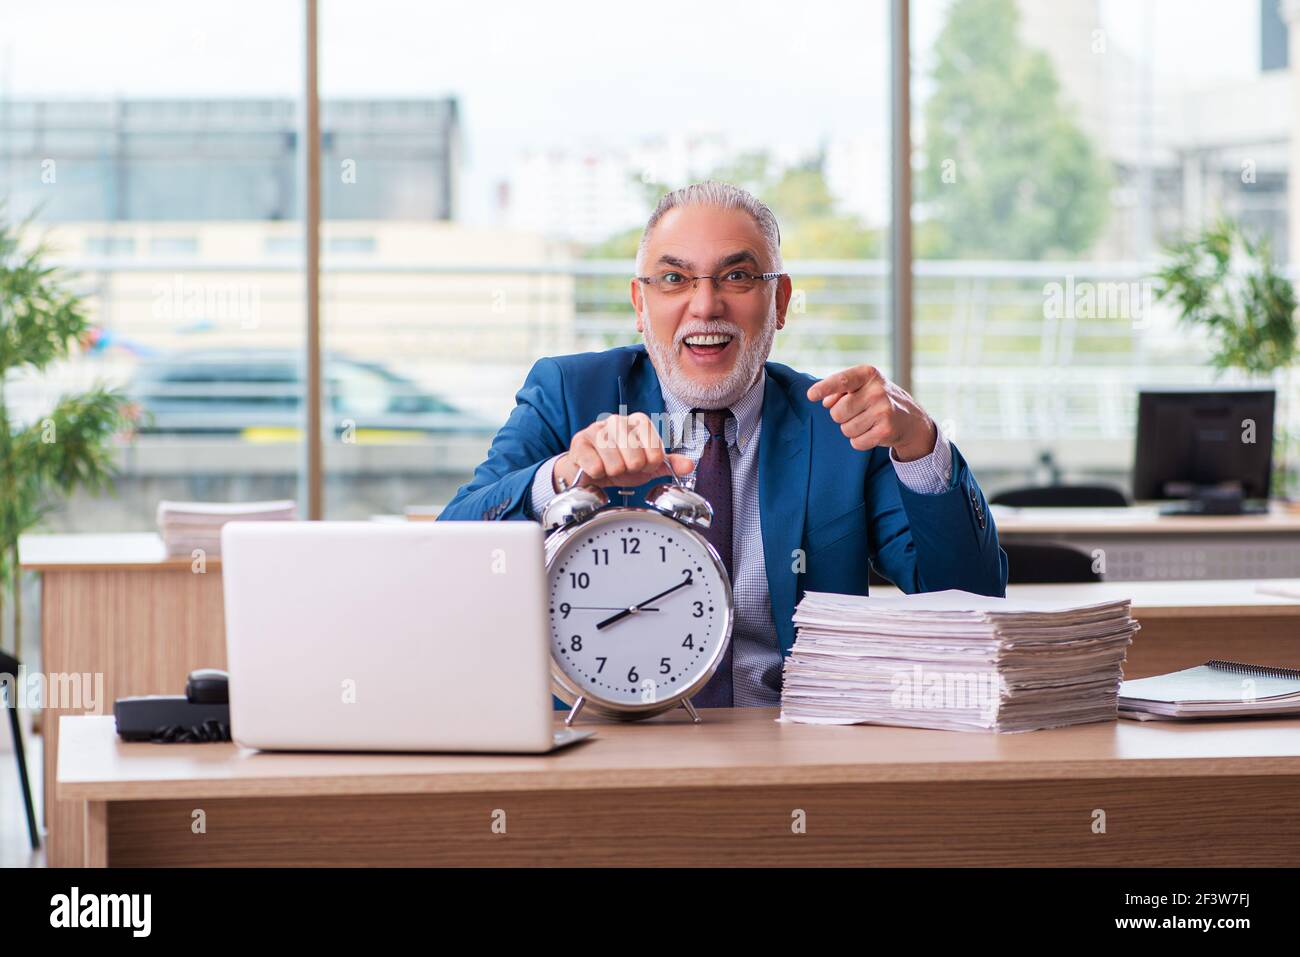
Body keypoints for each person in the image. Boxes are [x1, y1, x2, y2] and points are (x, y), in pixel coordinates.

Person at [439, 181, 1007, 706]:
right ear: (640, 306)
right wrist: (563, 475)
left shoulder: (839, 426)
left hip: (795, 750)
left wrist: (922, 446)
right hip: (608, 740)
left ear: (780, 302)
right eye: (674, 279)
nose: (706, 305)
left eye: (736, 278)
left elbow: (971, 604)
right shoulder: (568, 392)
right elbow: (449, 556)